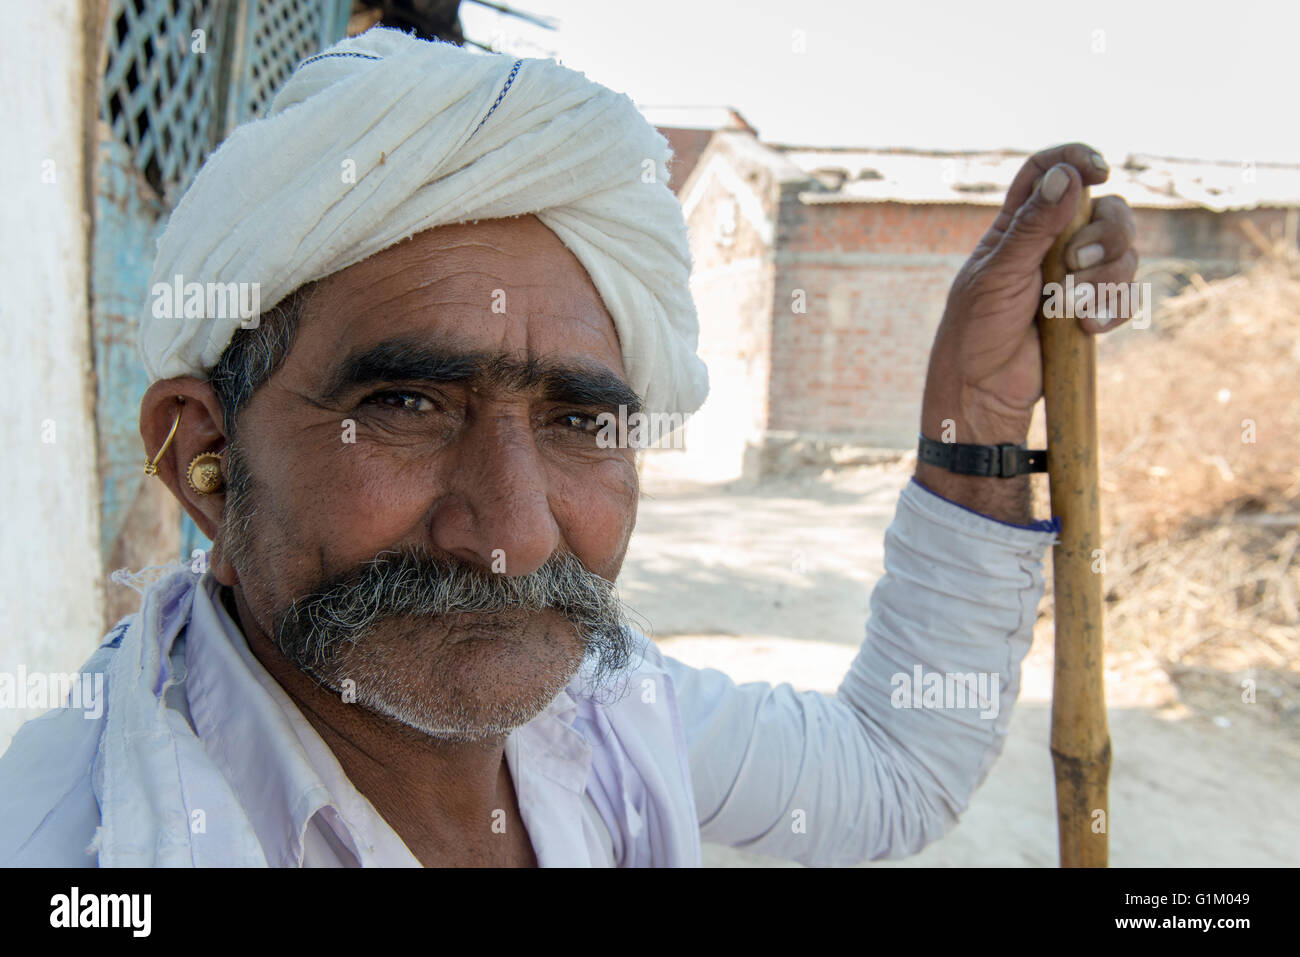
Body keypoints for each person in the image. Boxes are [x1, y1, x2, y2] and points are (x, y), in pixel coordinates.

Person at [0, 27, 1138, 867]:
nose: (515, 532)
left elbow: (889, 774)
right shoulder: (75, 844)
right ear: (202, 457)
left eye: (580, 422)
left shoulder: (601, 707)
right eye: (407, 404)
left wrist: (979, 415)